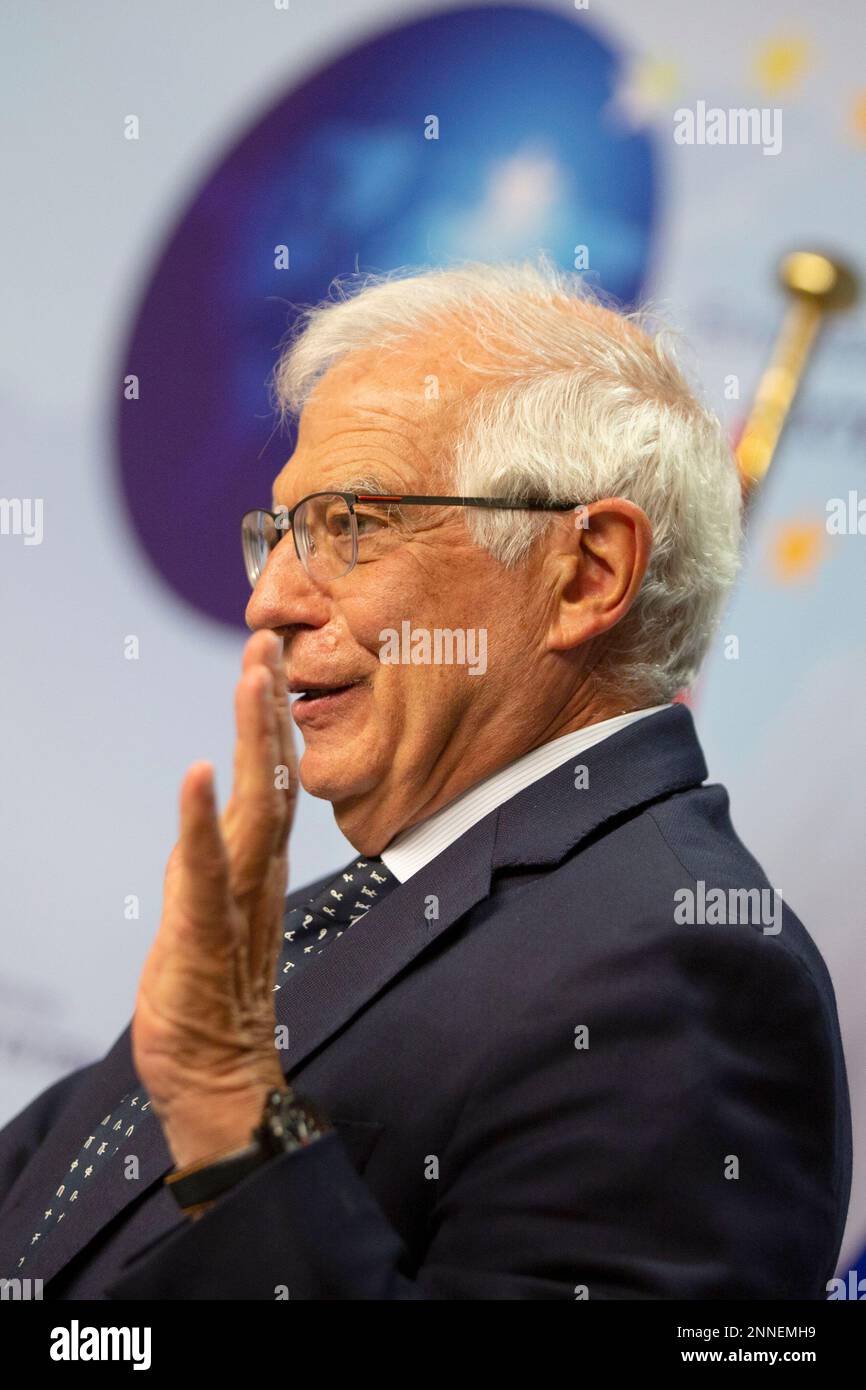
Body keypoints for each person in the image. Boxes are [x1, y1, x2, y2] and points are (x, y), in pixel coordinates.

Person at [0, 258, 851, 1299]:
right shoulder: (328, 916)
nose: (269, 600)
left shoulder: (689, 975)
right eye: (281, 533)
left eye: (349, 526)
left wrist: (235, 1123)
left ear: (585, 573)